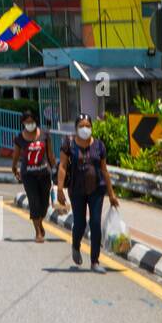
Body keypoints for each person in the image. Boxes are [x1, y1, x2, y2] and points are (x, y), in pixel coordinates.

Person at [56, 113, 120, 273]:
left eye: (88, 126)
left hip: (97, 189)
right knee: (80, 223)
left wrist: (111, 194)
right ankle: (76, 245)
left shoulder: (99, 146)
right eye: (81, 126)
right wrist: (59, 188)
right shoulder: (69, 145)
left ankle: (95, 261)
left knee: (95, 223)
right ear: (76, 128)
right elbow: (62, 166)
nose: (85, 129)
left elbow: (104, 170)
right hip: (76, 189)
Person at [10, 110, 51, 242]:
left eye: (32, 122)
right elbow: (16, 155)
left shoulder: (44, 135)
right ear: (23, 123)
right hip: (28, 175)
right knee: (34, 201)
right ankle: (38, 232)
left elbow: (50, 154)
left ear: (36, 122)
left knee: (44, 204)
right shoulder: (20, 138)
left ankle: (40, 222)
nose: (30, 124)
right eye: (27, 122)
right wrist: (14, 168)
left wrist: (55, 168)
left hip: (44, 173)